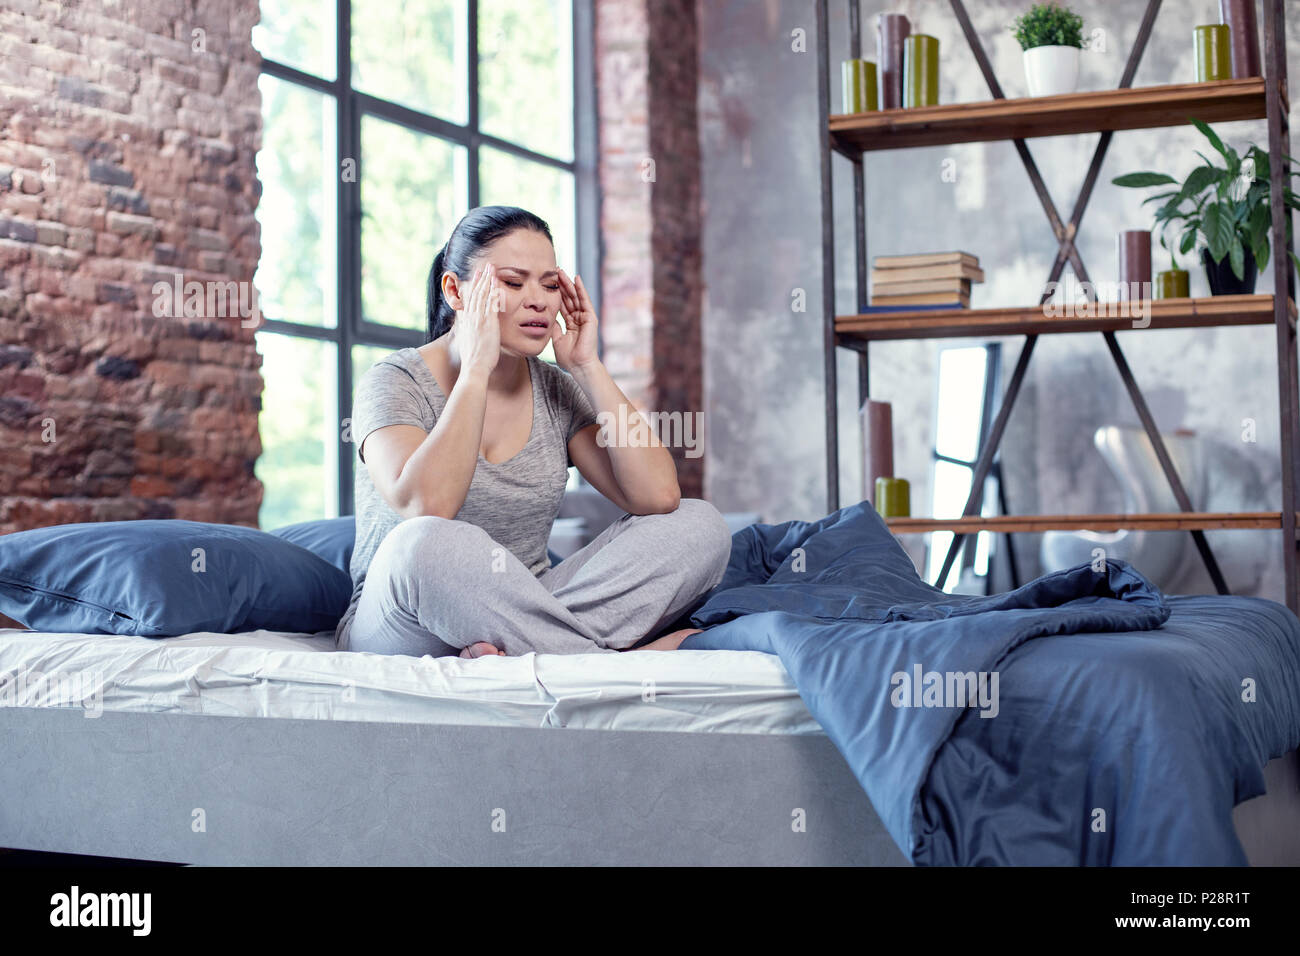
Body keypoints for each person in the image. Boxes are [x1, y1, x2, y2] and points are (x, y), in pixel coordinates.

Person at [334, 205, 733, 659]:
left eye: (549, 285)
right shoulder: (394, 380)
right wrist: (476, 371)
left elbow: (657, 496)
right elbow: (429, 506)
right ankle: (607, 664)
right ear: (454, 290)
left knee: (700, 524)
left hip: (528, 605)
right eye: (512, 281)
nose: (540, 301)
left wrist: (587, 366)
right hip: (403, 616)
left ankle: (532, 651)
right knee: (423, 544)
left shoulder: (555, 390)